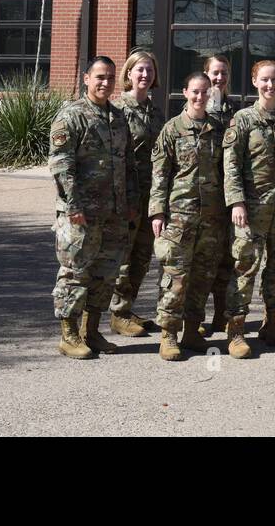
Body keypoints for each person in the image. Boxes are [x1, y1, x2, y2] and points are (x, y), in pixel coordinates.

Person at [50, 56, 134, 360]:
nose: (105, 82)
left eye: (110, 77)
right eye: (99, 76)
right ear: (86, 78)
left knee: (105, 272)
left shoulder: (118, 117)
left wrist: (131, 203)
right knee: (75, 272)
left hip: (113, 212)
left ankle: (92, 330)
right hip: (80, 213)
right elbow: (62, 167)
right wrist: (73, 206)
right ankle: (68, 333)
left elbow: (129, 164)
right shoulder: (71, 116)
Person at [222, 59, 275, 357]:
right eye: (264, 80)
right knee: (245, 268)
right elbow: (231, 163)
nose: (270, 86)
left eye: (274, 80)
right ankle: (235, 332)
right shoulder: (243, 119)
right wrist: (236, 201)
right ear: (255, 82)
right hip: (252, 208)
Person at [149, 71, 226, 361]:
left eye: (205, 92)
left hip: (211, 218)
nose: (200, 96)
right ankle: (168, 335)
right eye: (195, 91)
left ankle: (192, 331)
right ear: (185, 92)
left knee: (203, 277)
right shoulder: (172, 129)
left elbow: (226, 173)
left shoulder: (217, 130)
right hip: (179, 217)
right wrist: (157, 212)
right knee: (175, 278)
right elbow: (160, 174)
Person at [109, 49, 166, 337]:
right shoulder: (118, 111)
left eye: (150, 70)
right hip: (127, 195)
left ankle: (127, 308)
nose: (145, 75)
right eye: (140, 70)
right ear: (128, 74)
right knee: (124, 255)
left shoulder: (156, 113)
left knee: (143, 255)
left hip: (150, 195)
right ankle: (117, 312)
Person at [200, 54, 239, 336]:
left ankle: (222, 316)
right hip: (202, 197)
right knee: (201, 260)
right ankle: (196, 318)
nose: (219, 78)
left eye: (223, 73)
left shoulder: (236, 111)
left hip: (229, 196)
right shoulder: (196, 108)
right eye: (215, 73)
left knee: (227, 259)